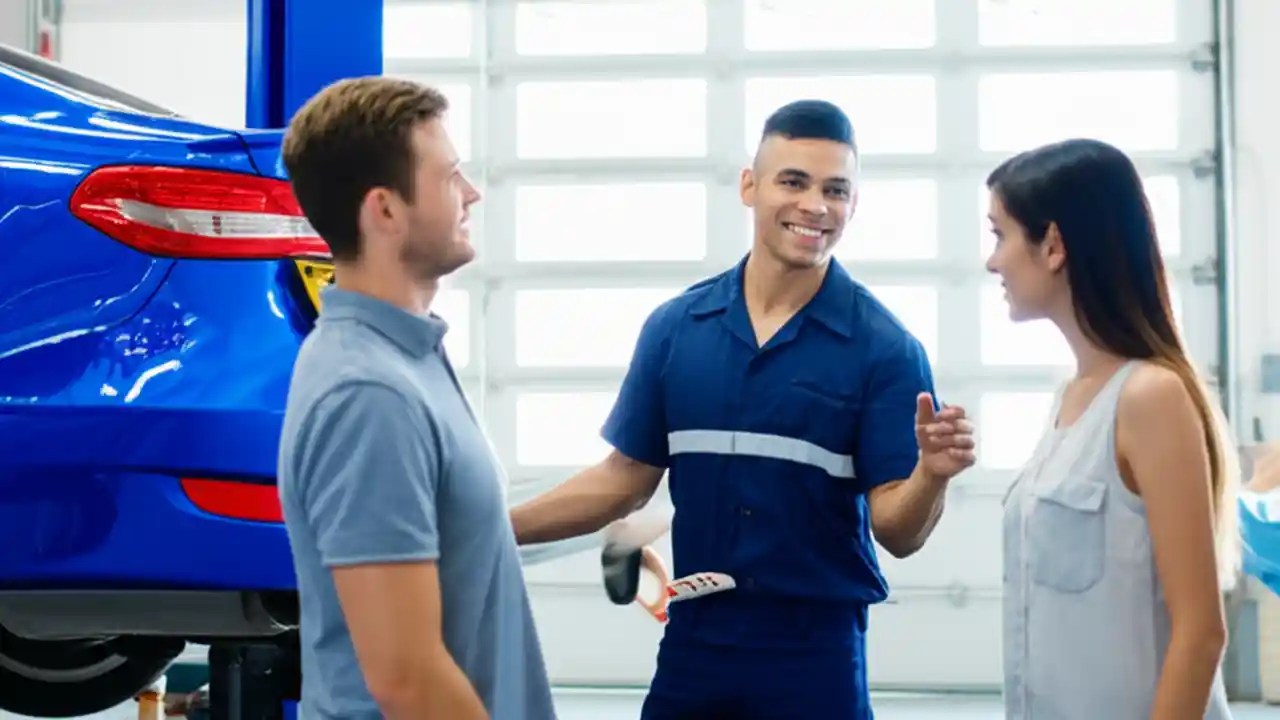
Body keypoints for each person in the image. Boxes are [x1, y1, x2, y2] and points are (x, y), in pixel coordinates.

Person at [510, 99, 976, 719]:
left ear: (853, 205)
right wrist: (490, 526)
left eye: (836, 189)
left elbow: (899, 532)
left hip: (816, 656)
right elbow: (622, 481)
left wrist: (931, 476)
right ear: (749, 186)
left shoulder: (886, 350)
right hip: (696, 644)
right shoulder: (677, 330)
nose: (815, 205)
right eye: (793, 181)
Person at [276, 77, 555, 720]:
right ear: (385, 210)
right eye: (450, 176)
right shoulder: (369, 395)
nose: (472, 193)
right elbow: (407, 679)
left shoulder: (406, 359)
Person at [986, 137, 1240, 719]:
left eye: (1000, 235)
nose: (992, 260)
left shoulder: (1150, 396)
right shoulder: (1071, 400)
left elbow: (1201, 632)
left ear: (1052, 245)